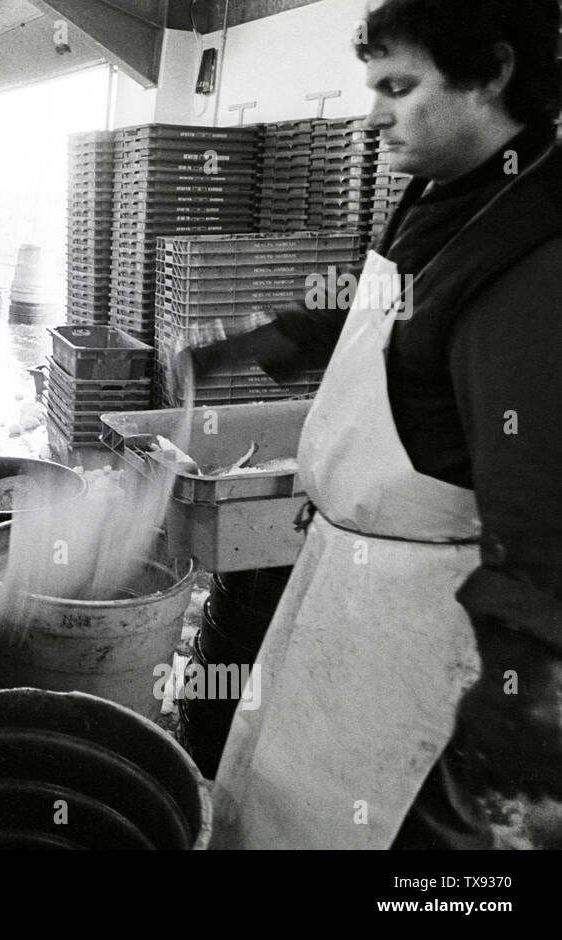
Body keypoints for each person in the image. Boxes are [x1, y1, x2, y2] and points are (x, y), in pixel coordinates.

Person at [185, 0, 562, 850]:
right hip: (347, 585)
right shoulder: (450, 192)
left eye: (399, 86)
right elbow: (391, 310)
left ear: (494, 73)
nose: (375, 112)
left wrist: (504, 773)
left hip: (424, 630)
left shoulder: (532, 256)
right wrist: (256, 343)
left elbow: (541, 546)